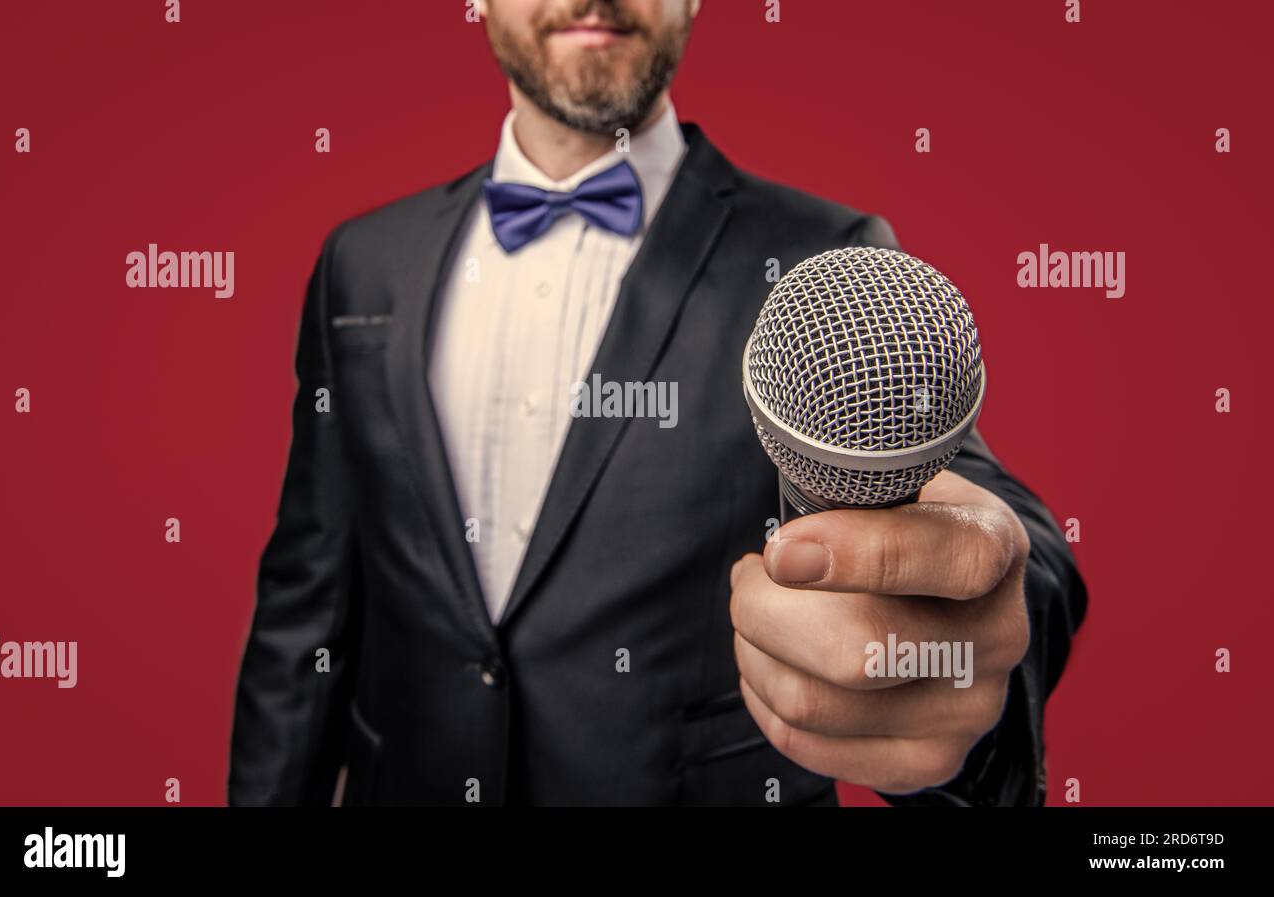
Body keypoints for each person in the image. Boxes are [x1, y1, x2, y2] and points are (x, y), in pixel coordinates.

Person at [228, 0, 1087, 806]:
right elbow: (308, 602)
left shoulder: (819, 260)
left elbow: (994, 530)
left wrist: (968, 649)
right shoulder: (363, 260)